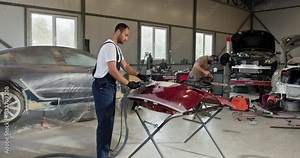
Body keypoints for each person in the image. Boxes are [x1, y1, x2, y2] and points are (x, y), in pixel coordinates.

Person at [92, 23, 148, 158]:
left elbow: (125, 66)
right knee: (105, 123)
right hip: (102, 87)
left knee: (109, 121)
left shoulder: (116, 48)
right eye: (126, 35)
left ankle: (104, 151)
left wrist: (139, 75)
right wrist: (128, 83)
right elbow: (112, 70)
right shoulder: (109, 47)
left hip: (108, 88)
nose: (127, 38)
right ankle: (102, 155)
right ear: (118, 32)